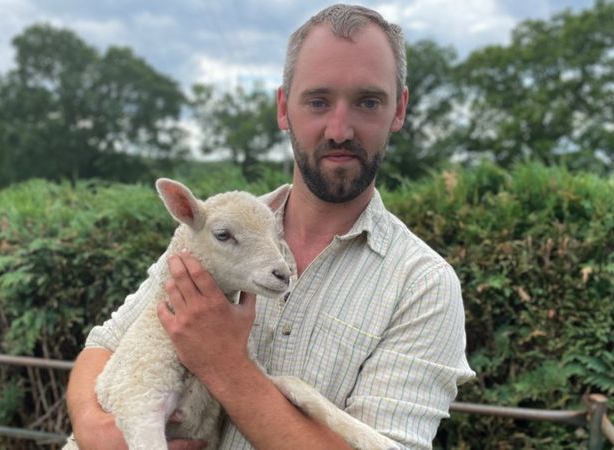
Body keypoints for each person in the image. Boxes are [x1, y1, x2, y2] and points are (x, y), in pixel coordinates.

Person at [66, 4, 475, 449]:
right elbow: (107, 342)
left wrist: (224, 363)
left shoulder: (423, 285)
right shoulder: (216, 232)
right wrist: (98, 432)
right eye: (318, 101)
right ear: (284, 108)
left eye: (368, 101)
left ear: (399, 110)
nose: (339, 129)